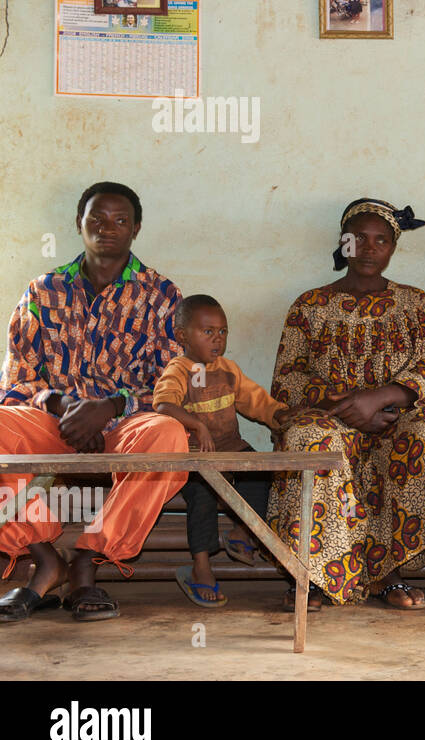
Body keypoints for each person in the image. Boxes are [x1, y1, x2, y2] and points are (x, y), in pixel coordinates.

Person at [0, 183, 189, 624]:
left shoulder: (161, 296)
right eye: (96, 220)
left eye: (120, 220)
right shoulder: (43, 291)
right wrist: (60, 402)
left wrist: (110, 406)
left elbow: (171, 385)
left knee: (169, 435)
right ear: (78, 224)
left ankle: (88, 559)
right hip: (56, 425)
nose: (107, 229)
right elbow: (16, 383)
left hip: (125, 426)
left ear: (136, 228)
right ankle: (46, 559)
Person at [266, 198, 425, 611]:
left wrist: (379, 400)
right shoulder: (309, 305)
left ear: (392, 248)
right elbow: (287, 378)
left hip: (391, 417)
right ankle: (314, 575)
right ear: (343, 242)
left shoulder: (416, 303)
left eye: (380, 240)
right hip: (330, 416)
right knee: (310, 436)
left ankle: (388, 570)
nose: (368, 248)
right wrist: (345, 406)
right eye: (358, 238)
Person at [153, 294, 297, 608]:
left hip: (231, 449)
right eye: (208, 332)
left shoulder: (228, 369)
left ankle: (241, 532)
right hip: (194, 458)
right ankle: (200, 566)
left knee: (262, 472)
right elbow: (163, 406)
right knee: (202, 495)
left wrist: (280, 415)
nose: (217, 339)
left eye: (223, 331)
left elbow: (255, 400)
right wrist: (197, 425)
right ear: (182, 336)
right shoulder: (178, 370)